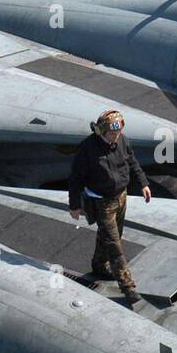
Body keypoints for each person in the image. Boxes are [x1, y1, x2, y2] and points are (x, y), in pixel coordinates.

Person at [68, 110, 152, 303]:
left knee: (110, 236)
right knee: (114, 245)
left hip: (121, 197)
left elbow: (132, 161)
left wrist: (144, 184)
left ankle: (98, 265)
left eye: (118, 133)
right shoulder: (87, 149)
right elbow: (75, 179)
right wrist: (74, 206)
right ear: (101, 132)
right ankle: (128, 286)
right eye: (112, 134)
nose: (116, 137)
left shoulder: (122, 140)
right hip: (102, 202)